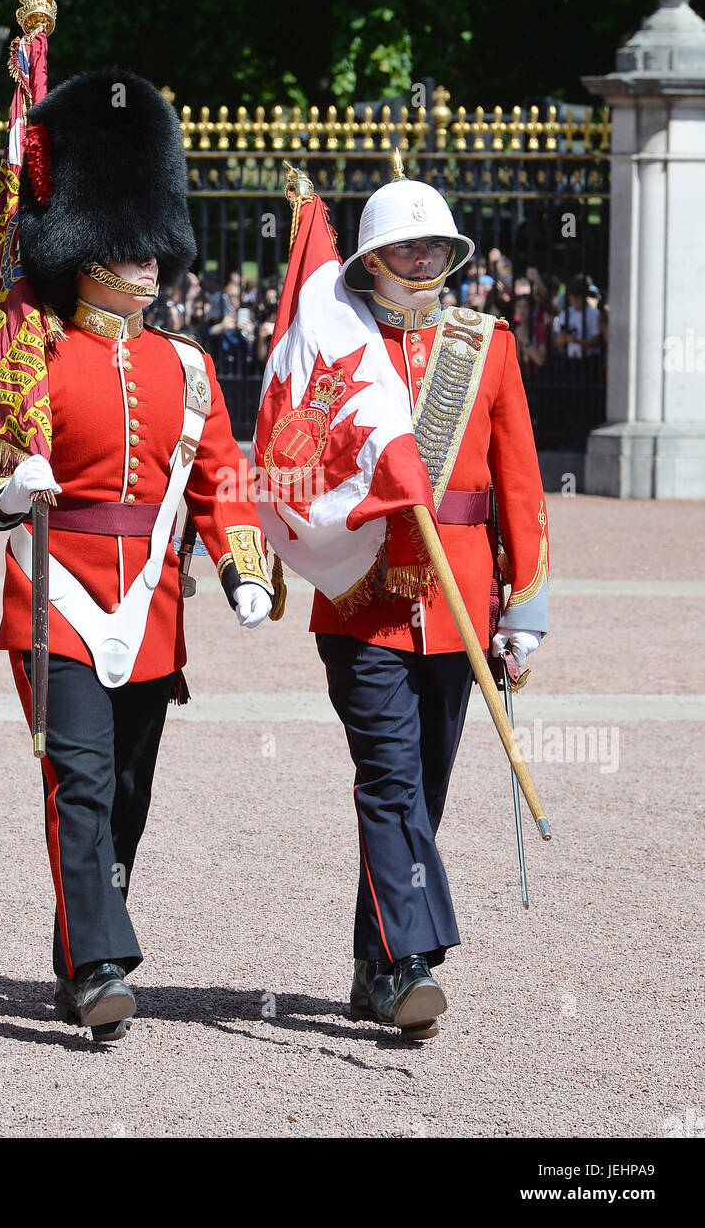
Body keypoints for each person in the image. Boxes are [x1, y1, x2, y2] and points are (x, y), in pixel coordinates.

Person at [0, 67, 274, 1041]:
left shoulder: (186, 365)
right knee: (80, 780)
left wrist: (244, 571)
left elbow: (222, 480)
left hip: (150, 608)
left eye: (152, 249)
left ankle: (74, 952)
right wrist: (11, 494)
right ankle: (101, 966)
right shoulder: (31, 355)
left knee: (125, 798)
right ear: (84, 248)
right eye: (128, 248)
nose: (149, 266)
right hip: (54, 595)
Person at [308, 175, 548, 1038]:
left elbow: (519, 483)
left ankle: (374, 967)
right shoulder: (336, 345)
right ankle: (412, 960)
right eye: (405, 247)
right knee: (390, 780)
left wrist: (525, 607)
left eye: (433, 246)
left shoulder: (484, 345)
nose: (422, 259)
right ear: (371, 260)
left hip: (460, 599)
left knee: (424, 790)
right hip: (364, 596)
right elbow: (304, 464)